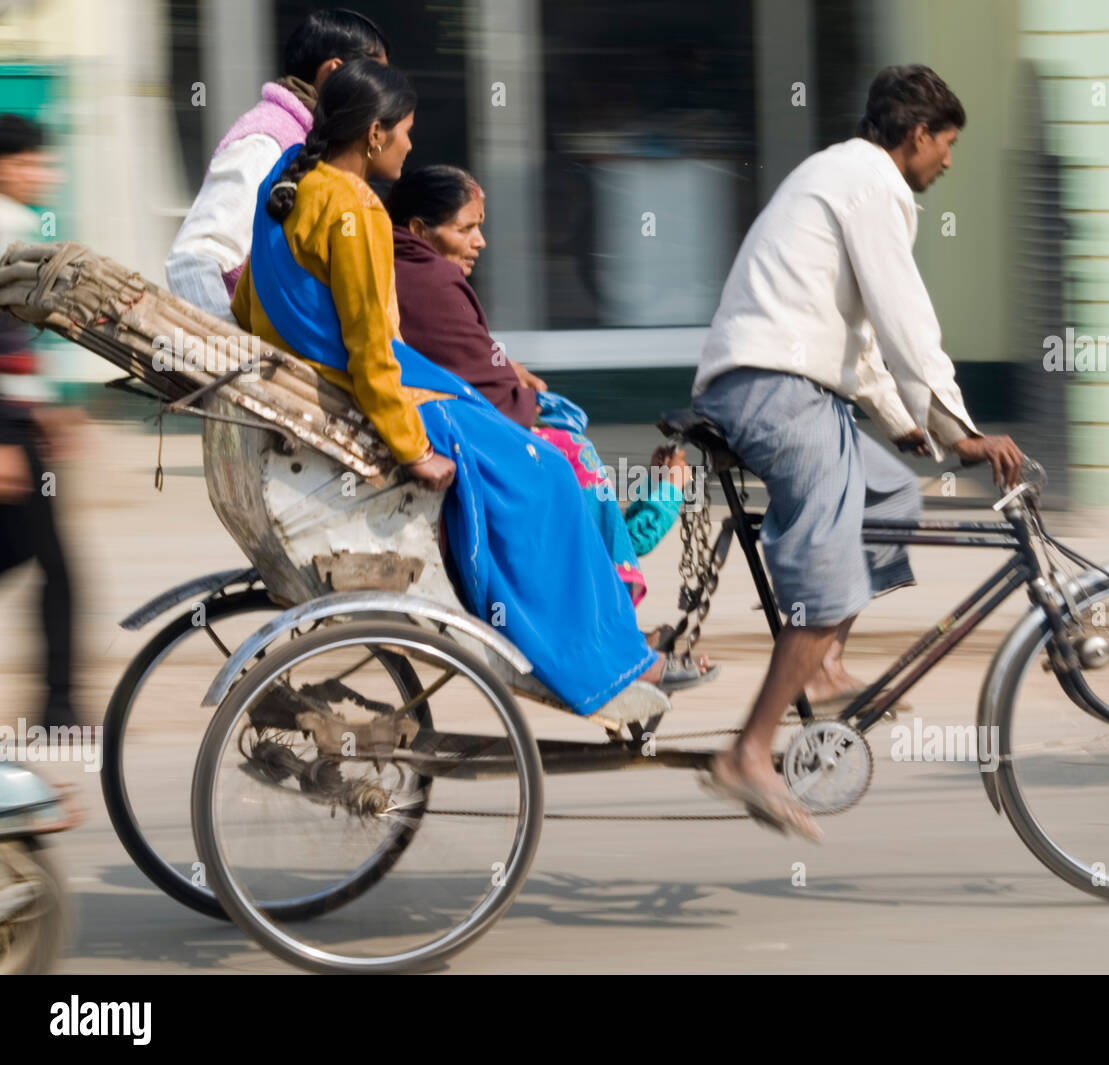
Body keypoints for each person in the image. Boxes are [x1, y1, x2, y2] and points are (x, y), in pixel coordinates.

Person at [232, 59, 710, 715]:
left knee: (541, 469)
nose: (409, 145)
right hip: (389, 400)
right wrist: (412, 450)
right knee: (546, 477)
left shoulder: (289, 184)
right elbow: (373, 349)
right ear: (373, 136)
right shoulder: (357, 211)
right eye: (403, 132)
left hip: (339, 387)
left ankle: (608, 638)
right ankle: (594, 652)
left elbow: (246, 309)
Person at [692, 65, 1025, 839]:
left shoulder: (841, 173)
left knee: (891, 493)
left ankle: (827, 662)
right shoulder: (875, 185)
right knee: (829, 575)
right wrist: (956, 425)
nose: (950, 160)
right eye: (947, 143)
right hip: (774, 390)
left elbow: (857, 333)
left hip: (785, 383)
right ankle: (748, 750)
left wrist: (899, 417)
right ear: (916, 135)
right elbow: (904, 314)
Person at [384, 164, 689, 605]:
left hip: (446, 431)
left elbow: (472, 362)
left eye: (480, 228)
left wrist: (509, 372)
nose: (480, 242)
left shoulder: (401, 269)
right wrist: (520, 386)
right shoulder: (430, 280)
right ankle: (612, 611)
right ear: (418, 229)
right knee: (571, 450)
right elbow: (493, 392)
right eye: (465, 228)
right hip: (464, 446)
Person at [166, 8, 390, 321]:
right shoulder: (266, 142)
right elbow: (193, 259)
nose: (382, 98)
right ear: (332, 71)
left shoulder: (310, 141)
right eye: (375, 79)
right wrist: (233, 351)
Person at [0, 114, 79, 728]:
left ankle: (59, 704)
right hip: (8, 428)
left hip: (20, 421)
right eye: (31, 162)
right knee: (53, 566)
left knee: (39, 559)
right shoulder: (11, 227)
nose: (42, 173)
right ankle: (59, 707)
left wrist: (48, 408)